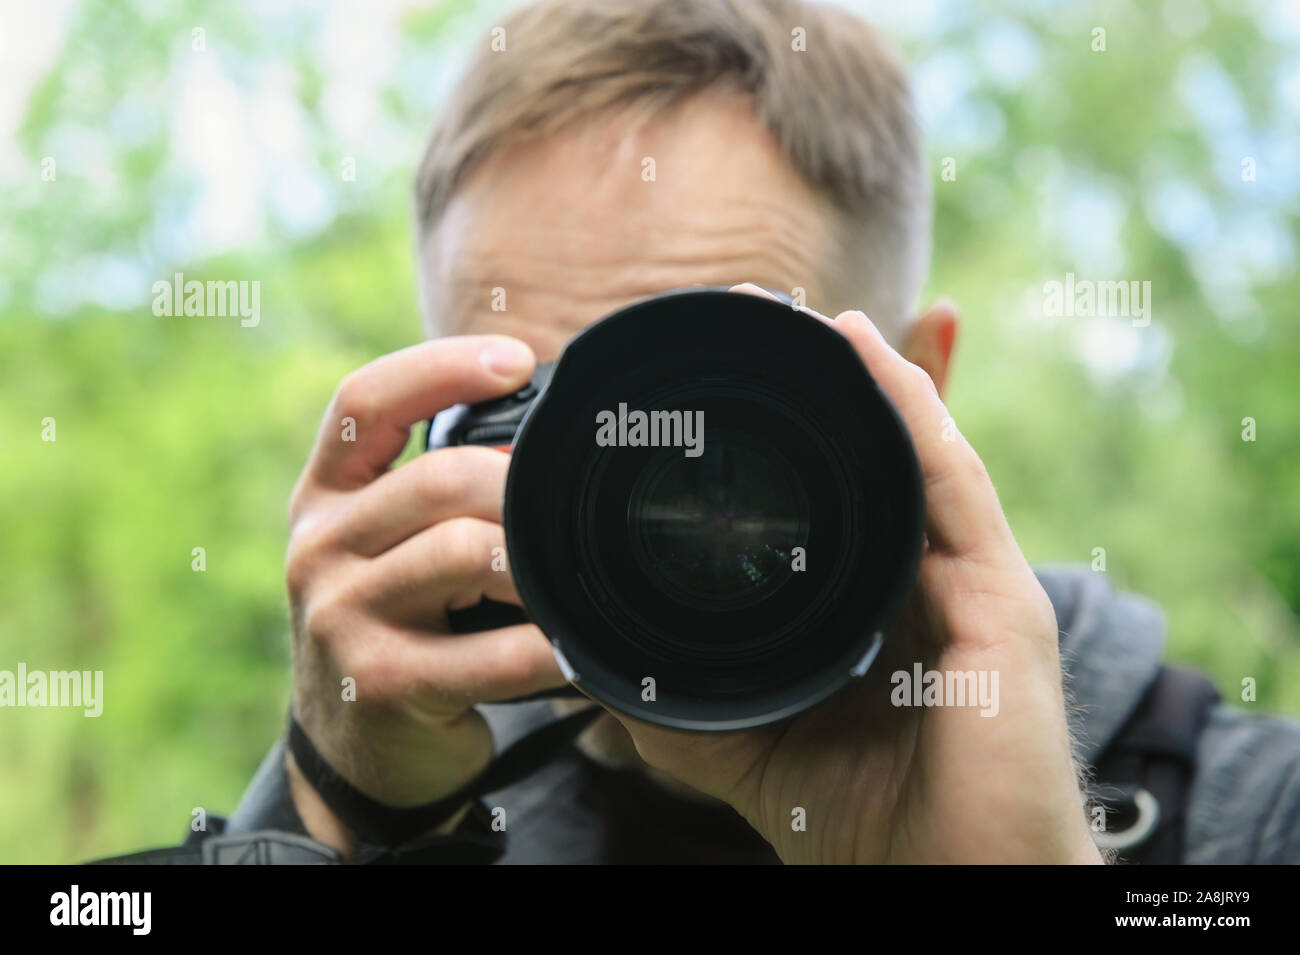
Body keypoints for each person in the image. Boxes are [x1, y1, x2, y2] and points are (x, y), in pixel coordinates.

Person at [103, 0, 1300, 865]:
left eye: (725, 417)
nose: (646, 493)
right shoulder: (429, 787)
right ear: (438, 427)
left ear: (918, 386)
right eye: (537, 417)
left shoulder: (1249, 818)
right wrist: (332, 813)